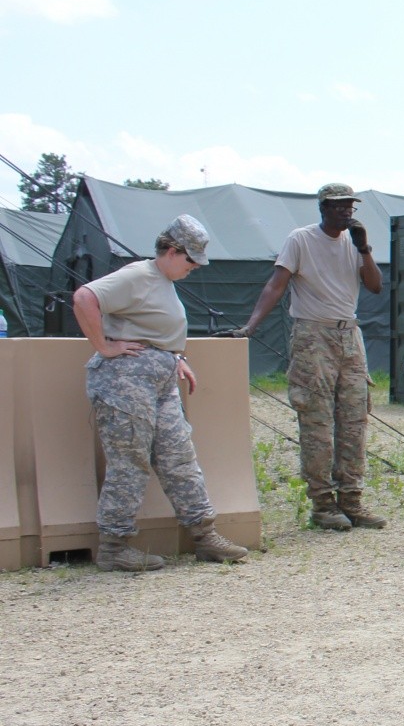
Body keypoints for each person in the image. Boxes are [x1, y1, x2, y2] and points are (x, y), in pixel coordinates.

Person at [73, 216, 250, 571]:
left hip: (159, 381)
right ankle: (114, 547)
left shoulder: (163, 281)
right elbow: (84, 297)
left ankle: (204, 535)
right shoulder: (138, 275)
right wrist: (104, 346)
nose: (194, 268)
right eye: (190, 260)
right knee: (130, 462)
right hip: (125, 382)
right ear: (171, 251)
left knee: (179, 456)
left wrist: (175, 357)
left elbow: (153, 326)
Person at [235, 183, 386, 532]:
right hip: (313, 335)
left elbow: (376, 285)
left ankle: (352, 500)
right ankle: (323, 503)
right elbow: (276, 284)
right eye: (338, 206)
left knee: (354, 421)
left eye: (350, 207)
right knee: (317, 422)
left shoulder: (354, 244)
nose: (346, 212)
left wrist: (364, 248)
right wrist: (251, 325)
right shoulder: (300, 239)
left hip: (350, 336)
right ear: (323, 208)